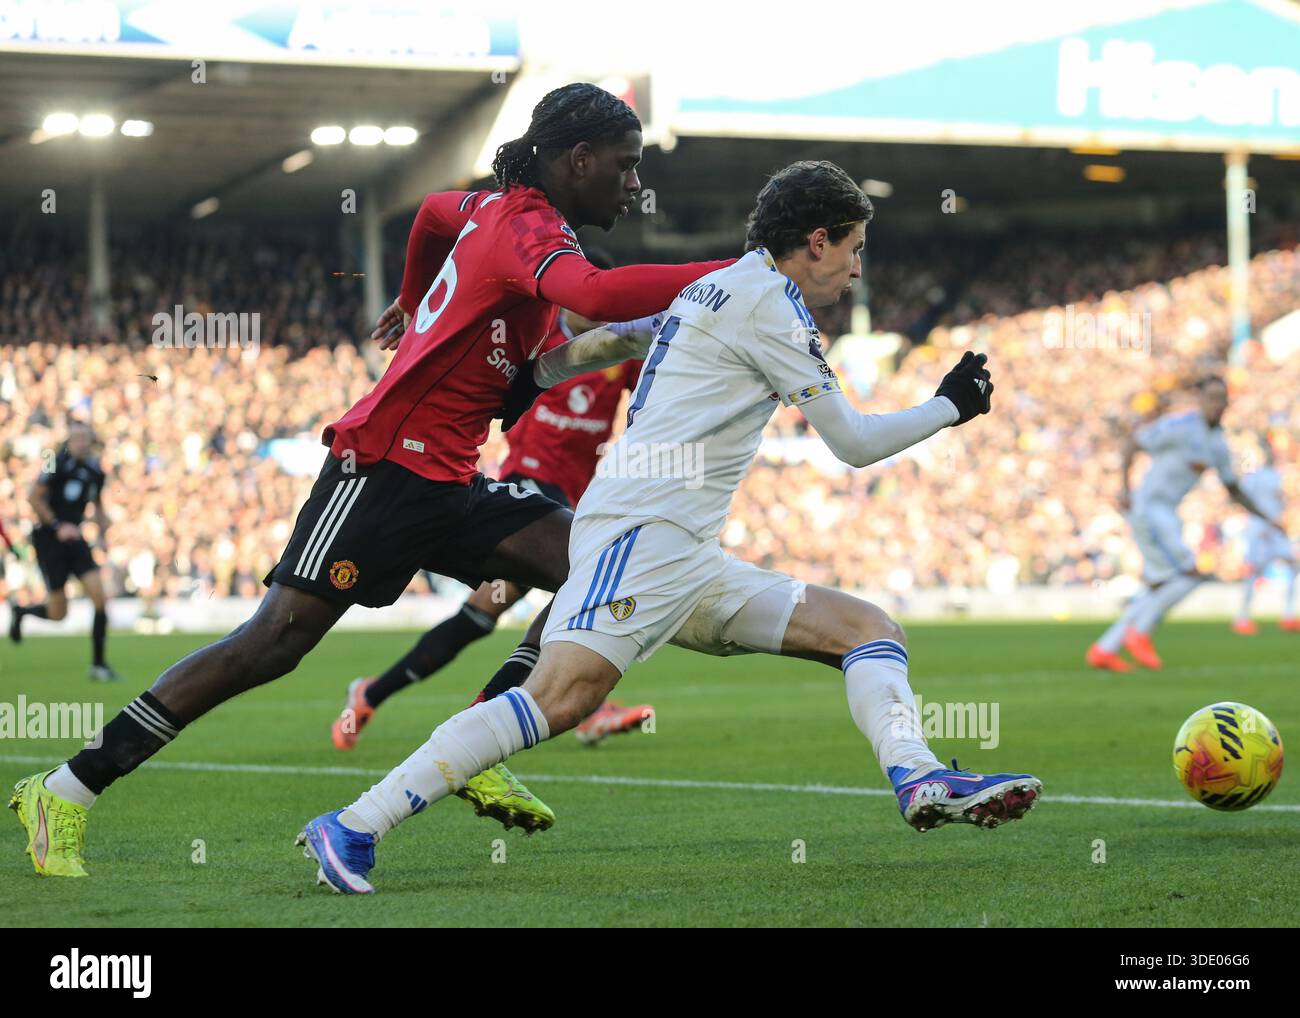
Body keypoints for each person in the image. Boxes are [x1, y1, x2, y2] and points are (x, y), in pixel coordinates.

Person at [9, 82, 730, 878]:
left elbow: (429, 213)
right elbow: (590, 294)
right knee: (269, 647)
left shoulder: (496, 212)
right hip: (381, 468)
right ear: (579, 158)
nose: (635, 184)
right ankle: (67, 788)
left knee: (596, 564)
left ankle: (487, 732)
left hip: (448, 481)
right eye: (626, 167)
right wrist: (738, 271)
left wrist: (415, 297)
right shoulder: (526, 228)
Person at [299, 160, 1043, 894]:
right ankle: (355, 825)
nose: (854, 272)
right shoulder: (771, 304)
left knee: (866, 628)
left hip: (679, 547)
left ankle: (919, 777)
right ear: (816, 241)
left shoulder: (715, 289)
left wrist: (532, 377)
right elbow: (851, 443)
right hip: (642, 534)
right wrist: (952, 404)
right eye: (853, 251)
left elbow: (617, 338)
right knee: (560, 700)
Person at [1087, 377, 1282, 672]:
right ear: (1200, 400)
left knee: (1160, 585)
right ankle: (1138, 633)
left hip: (1168, 513)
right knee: (1188, 576)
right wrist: (1125, 489)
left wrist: (1267, 517)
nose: (1216, 404)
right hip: (1151, 508)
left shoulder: (1218, 443)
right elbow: (1132, 443)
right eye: (1211, 397)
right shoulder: (1178, 427)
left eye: (1221, 398)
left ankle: (1104, 649)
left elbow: (1234, 489)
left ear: (1227, 403)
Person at [7, 421, 120, 682]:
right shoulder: (54, 462)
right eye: (76, 437)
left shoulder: (95, 471)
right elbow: (34, 497)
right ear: (69, 440)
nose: (81, 442)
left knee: (100, 598)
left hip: (76, 538)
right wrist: (57, 525)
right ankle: (21, 612)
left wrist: (104, 532)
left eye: (85, 438)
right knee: (59, 613)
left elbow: (98, 506)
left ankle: (99, 665)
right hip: (49, 538)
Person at [1232, 438, 1296, 635]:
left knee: (1292, 565)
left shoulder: (1256, 477)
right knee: (1255, 573)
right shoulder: (1271, 476)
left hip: (1269, 529)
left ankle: (1287, 616)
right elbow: (1282, 496)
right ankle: (1243, 618)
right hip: (1265, 528)